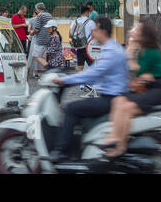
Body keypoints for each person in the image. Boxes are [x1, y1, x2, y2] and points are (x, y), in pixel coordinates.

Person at [50, 17, 129, 161]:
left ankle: (60, 150)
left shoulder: (111, 52)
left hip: (110, 100)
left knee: (71, 108)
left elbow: (92, 73)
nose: (92, 33)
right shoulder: (114, 47)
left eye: (95, 30)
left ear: (103, 31)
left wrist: (65, 80)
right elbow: (99, 74)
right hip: (112, 96)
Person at [99, 20, 161, 157]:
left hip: (157, 90)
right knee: (117, 101)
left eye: (136, 29)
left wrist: (130, 52)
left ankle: (120, 146)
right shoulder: (142, 51)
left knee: (126, 108)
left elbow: (136, 69)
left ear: (143, 36)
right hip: (147, 88)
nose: (132, 30)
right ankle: (113, 137)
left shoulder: (150, 52)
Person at [27, 3, 52, 78]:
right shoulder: (49, 15)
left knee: (35, 56)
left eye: (36, 9)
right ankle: (46, 72)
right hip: (47, 38)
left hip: (40, 39)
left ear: (38, 9)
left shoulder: (40, 16)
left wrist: (32, 33)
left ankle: (50, 68)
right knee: (42, 56)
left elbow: (37, 29)